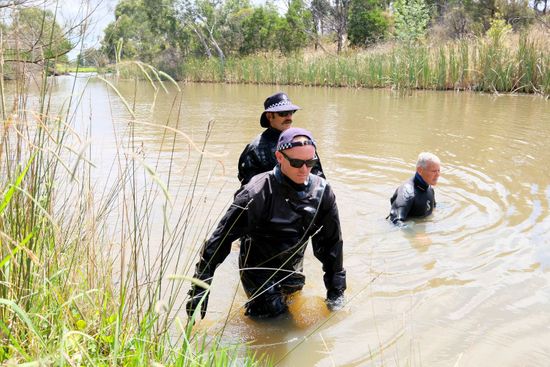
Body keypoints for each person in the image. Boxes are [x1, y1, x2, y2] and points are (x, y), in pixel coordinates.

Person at [187, 127, 346, 319]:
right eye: (296, 163)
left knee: (294, 302)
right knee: (277, 322)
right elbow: (220, 239)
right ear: (279, 157)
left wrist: (336, 293)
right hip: (258, 270)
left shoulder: (322, 193)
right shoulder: (256, 192)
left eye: (310, 162)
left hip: (293, 267)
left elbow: (331, 245)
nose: (304, 169)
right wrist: (200, 286)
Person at [238, 92, 324, 186]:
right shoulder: (255, 149)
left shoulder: (303, 143)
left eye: (291, 112)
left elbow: (319, 179)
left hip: (303, 198)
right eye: (283, 113)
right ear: (269, 116)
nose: (288, 117)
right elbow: (248, 188)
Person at [388, 152, 441, 226]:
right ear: (420, 170)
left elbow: (434, 208)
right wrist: (415, 234)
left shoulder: (429, 189)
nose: (438, 175)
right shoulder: (407, 192)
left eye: (439, 170)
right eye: (434, 171)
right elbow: (394, 221)